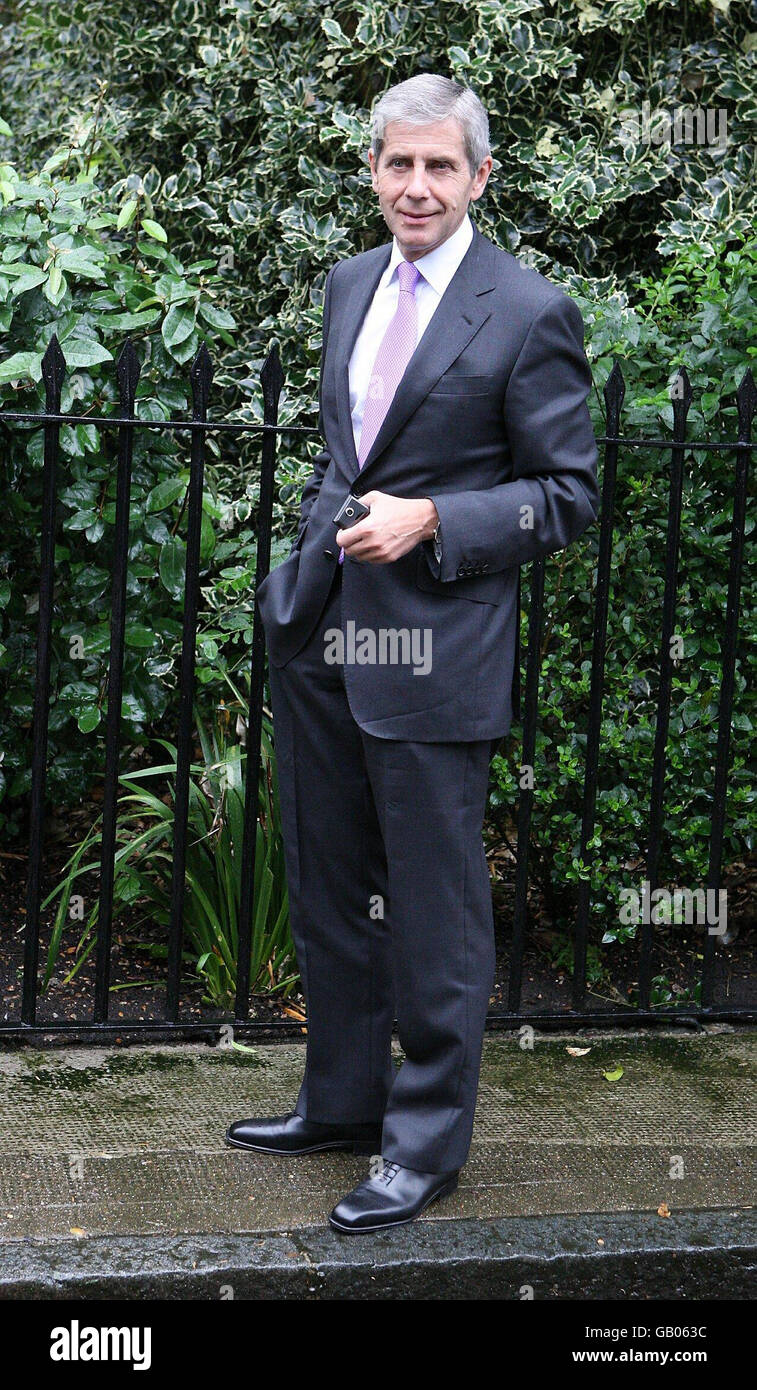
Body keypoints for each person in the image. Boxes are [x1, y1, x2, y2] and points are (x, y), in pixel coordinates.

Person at [226, 73, 599, 1233]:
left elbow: (567, 494)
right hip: (326, 633)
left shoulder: (528, 312)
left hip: (436, 655)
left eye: (441, 166)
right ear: (373, 170)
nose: (418, 186)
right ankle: (343, 1102)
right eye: (400, 163)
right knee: (327, 884)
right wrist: (299, 576)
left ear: (480, 176)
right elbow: (347, 450)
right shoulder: (349, 283)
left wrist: (433, 518)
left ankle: (424, 1145)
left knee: (434, 913)